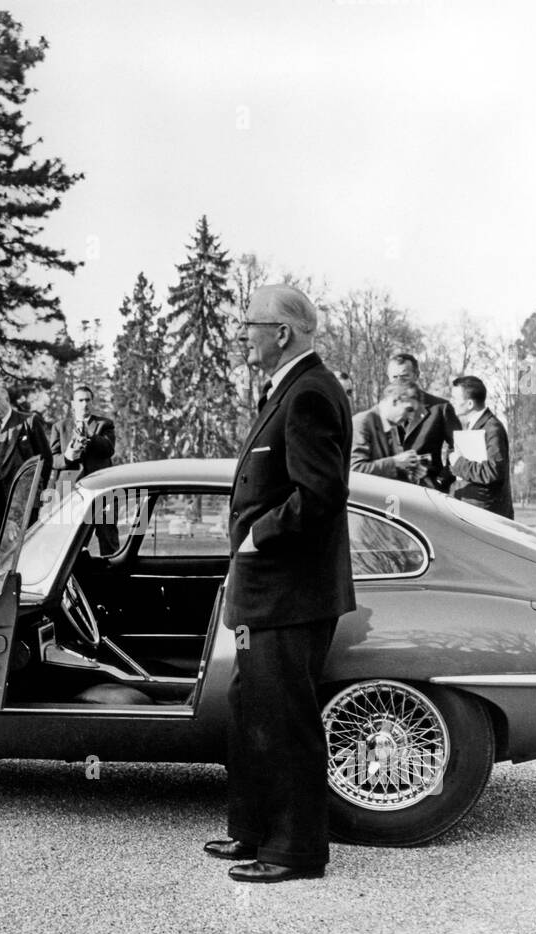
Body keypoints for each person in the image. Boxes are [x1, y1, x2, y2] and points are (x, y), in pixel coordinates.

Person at [207, 284, 355, 884]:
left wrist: (256, 535)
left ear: (283, 333)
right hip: (267, 594)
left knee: (285, 719)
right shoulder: (290, 389)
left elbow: (319, 494)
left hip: (289, 594)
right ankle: (253, 831)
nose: (242, 334)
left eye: (250, 324)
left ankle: (294, 852)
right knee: (252, 709)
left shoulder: (312, 393)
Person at [49, 384, 118, 553]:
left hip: (101, 489)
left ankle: (113, 577)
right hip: (70, 491)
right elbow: (52, 458)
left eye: (88, 400)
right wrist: (67, 457)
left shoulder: (105, 424)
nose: (84, 404)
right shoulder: (60, 427)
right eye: (80, 400)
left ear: (92, 402)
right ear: (73, 403)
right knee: (71, 541)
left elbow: (109, 449)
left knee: (107, 536)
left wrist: (90, 437)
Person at [0, 383, 51, 539]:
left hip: (23, 502)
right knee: (2, 552)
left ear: (7, 399)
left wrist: (35, 491)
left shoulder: (29, 422)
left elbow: (46, 460)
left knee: (26, 548)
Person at [386, 353, 459, 491]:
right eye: (394, 377)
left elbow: (458, 447)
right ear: (388, 377)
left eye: (405, 376)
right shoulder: (382, 410)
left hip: (427, 489)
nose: (399, 381)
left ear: (416, 375)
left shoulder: (440, 408)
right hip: (390, 490)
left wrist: (442, 479)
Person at [448, 375, 514, 519]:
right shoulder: (474, 425)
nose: (451, 402)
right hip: (474, 509)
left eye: (455, 399)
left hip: (486, 514)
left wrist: (458, 463)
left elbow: (493, 471)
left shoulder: (492, 428)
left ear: (470, 404)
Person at [350, 381, 423, 480]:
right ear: (394, 401)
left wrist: (409, 474)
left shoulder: (391, 427)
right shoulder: (362, 422)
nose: (411, 417)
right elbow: (355, 470)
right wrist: (395, 462)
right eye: (409, 410)